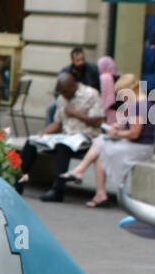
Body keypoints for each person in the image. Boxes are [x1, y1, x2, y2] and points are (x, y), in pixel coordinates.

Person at [61, 73, 155, 207]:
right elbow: (136, 126)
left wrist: (116, 132)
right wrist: (120, 125)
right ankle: (100, 194)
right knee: (101, 151)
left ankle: (80, 170)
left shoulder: (139, 105)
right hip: (139, 146)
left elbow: (134, 134)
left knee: (100, 142)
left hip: (140, 149)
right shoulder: (141, 102)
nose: (123, 99)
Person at [16, 72, 105, 202]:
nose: (63, 95)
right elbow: (58, 123)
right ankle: (18, 182)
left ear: (73, 86)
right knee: (32, 142)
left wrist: (75, 113)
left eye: (65, 92)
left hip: (86, 136)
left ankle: (57, 190)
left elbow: (98, 121)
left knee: (64, 147)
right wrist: (44, 133)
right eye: (60, 92)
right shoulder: (62, 98)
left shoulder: (91, 94)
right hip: (65, 134)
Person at [43, 47, 102, 128]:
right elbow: (59, 90)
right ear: (72, 60)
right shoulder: (65, 71)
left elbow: (97, 87)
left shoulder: (92, 69)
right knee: (51, 108)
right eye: (78, 60)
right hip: (68, 98)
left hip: (86, 98)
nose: (81, 63)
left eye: (82, 59)